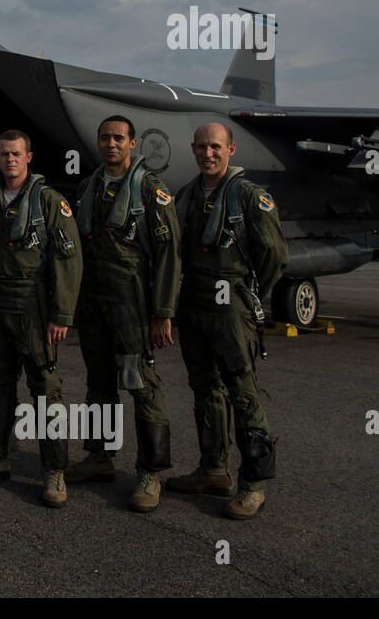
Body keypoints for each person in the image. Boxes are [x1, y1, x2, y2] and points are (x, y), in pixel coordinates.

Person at [166, 122, 287, 519]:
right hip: (195, 302)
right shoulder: (187, 194)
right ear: (193, 149)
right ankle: (213, 470)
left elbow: (273, 256)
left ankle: (253, 483)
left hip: (231, 304)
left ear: (231, 149)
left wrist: (248, 295)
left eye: (215, 147)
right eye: (201, 147)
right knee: (204, 389)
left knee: (243, 392)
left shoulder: (250, 197)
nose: (208, 154)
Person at [0, 130, 82, 507]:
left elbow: (68, 260)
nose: (9, 159)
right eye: (3, 154)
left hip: (32, 302)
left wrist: (60, 314)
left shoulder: (49, 202)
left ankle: (54, 471)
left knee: (46, 388)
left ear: (29, 157)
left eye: (16, 154)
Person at [67, 116, 180, 512]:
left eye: (118, 138)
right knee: (99, 383)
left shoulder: (151, 191)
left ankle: (150, 471)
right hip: (94, 303)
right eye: (105, 138)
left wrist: (163, 311)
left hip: (132, 305)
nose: (111, 144)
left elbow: (168, 255)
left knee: (141, 384)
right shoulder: (88, 189)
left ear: (133, 143)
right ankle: (100, 457)